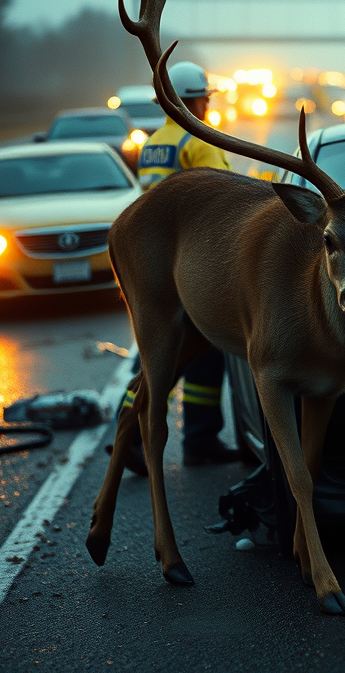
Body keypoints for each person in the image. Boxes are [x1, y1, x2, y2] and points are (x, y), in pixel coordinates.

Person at [112, 61, 241, 474]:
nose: (207, 104)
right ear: (191, 101)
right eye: (204, 97)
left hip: (160, 260)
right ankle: (186, 439)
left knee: (161, 355)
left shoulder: (156, 142)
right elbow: (226, 204)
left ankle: (131, 434)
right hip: (196, 263)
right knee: (195, 354)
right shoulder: (200, 141)